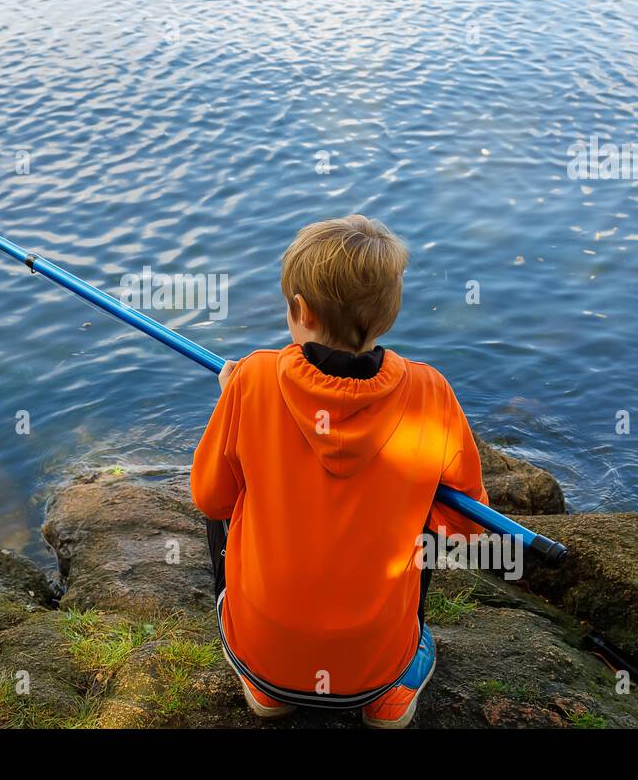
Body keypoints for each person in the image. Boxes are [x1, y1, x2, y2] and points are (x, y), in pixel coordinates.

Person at [191, 215, 489, 727]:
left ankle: (268, 688)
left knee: (230, 497)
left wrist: (238, 402)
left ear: (300, 310)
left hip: (268, 653)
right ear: (389, 313)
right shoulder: (431, 392)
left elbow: (209, 499)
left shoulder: (253, 380)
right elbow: (461, 527)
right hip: (373, 662)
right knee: (424, 524)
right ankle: (385, 696)